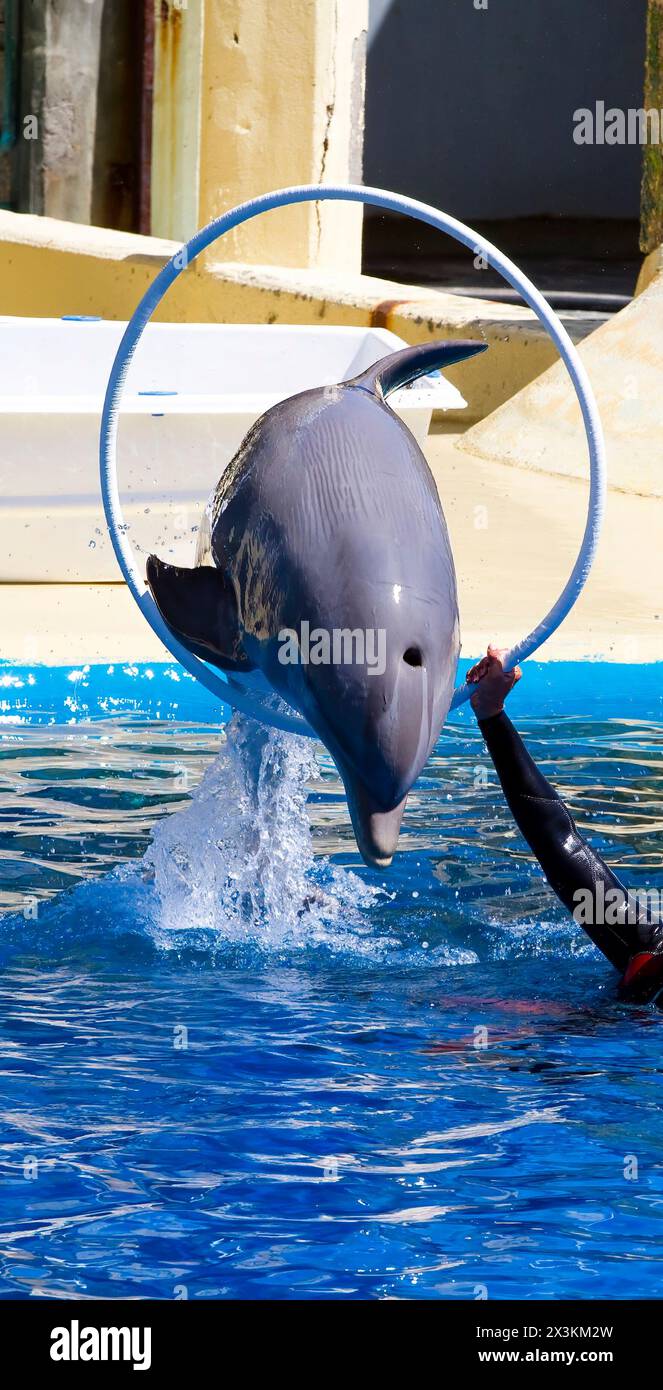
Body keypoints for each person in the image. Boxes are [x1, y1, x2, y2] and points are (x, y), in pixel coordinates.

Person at [466, 646, 663, 1004]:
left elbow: (560, 842)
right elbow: (560, 842)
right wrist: (491, 714)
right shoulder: (650, 953)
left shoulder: (649, 956)